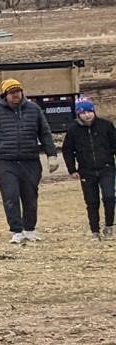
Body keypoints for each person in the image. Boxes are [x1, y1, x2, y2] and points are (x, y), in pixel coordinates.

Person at [0, 77, 60, 244]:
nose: (15, 95)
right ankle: (16, 231)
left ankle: (30, 229)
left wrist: (51, 155)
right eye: (11, 92)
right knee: (11, 195)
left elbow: (44, 133)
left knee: (30, 196)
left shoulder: (34, 109)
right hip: (5, 162)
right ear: (5, 95)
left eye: (18, 91)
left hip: (30, 161)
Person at [60, 96, 116, 242]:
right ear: (78, 114)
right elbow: (67, 150)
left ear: (93, 111)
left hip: (106, 168)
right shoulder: (73, 130)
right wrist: (72, 169)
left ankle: (109, 226)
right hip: (86, 170)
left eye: (89, 111)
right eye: (83, 112)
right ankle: (95, 230)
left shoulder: (106, 125)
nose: (87, 115)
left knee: (109, 197)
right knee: (92, 201)